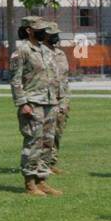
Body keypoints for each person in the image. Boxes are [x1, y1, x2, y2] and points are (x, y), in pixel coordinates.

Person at [10, 15, 59, 196]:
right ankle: (30, 182)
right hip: (32, 103)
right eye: (39, 29)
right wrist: (22, 103)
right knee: (33, 142)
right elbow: (15, 80)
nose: (43, 32)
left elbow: (53, 77)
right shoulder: (22, 50)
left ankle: (42, 179)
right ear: (29, 30)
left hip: (49, 102)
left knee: (48, 142)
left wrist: (57, 100)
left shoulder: (45, 50)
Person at [44, 22, 70, 174]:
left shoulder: (60, 54)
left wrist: (66, 101)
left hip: (62, 99)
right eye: (53, 35)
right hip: (46, 99)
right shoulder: (40, 53)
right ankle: (42, 164)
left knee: (58, 132)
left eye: (57, 34)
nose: (56, 37)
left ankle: (51, 162)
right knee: (45, 133)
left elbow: (65, 78)